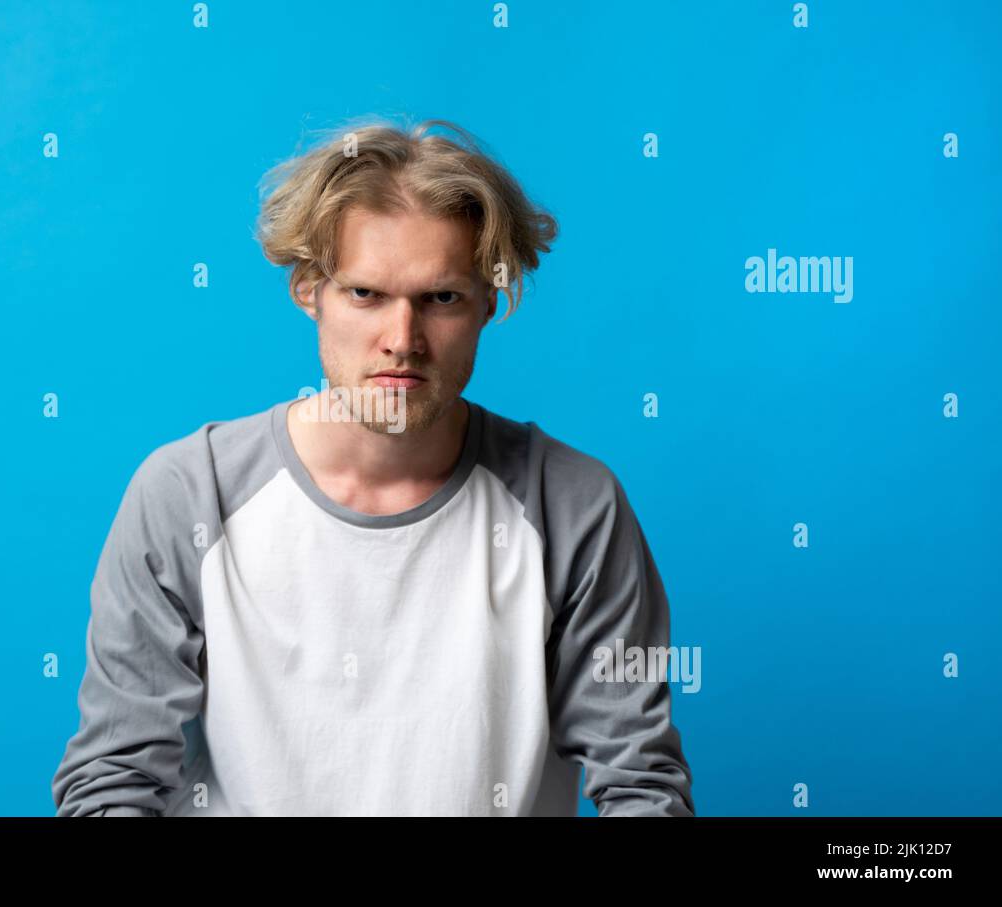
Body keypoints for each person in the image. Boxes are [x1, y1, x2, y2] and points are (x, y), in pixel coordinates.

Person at [51, 117, 695, 816]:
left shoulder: (571, 503)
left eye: (440, 298)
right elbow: (111, 783)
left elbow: (641, 786)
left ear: (489, 302)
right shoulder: (188, 495)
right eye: (365, 294)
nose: (401, 339)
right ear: (309, 290)